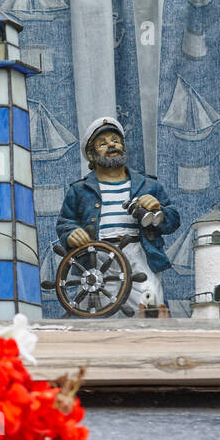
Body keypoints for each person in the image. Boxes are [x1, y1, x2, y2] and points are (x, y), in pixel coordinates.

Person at [55, 116, 180, 311]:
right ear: (90, 155)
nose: (111, 145)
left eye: (115, 140)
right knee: (96, 311)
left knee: (150, 306)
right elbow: (65, 222)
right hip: (97, 257)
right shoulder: (79, 190)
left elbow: (173, 221)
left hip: (139, 254)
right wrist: (71, 233)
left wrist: (158, 211)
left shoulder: (149, 185)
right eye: (102, 143)